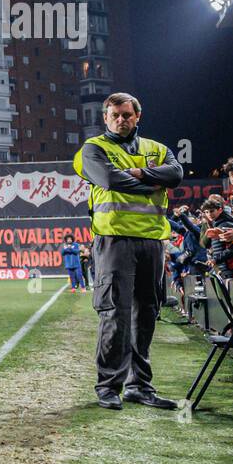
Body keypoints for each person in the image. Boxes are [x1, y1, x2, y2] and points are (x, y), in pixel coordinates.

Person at [72, 92, 182, 411]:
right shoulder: (93, 149)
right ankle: (109, 386)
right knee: (115, 314)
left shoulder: (157, 149)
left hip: (151, 242)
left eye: (127, 115)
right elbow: (106, 178)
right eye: (115, 114)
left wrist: (133, 175)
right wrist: (151, 181)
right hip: (114, 240)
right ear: (105, 118)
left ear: (138, 116)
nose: (121, 119)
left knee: (147, 313)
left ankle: (139, 386)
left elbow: (175, 176)